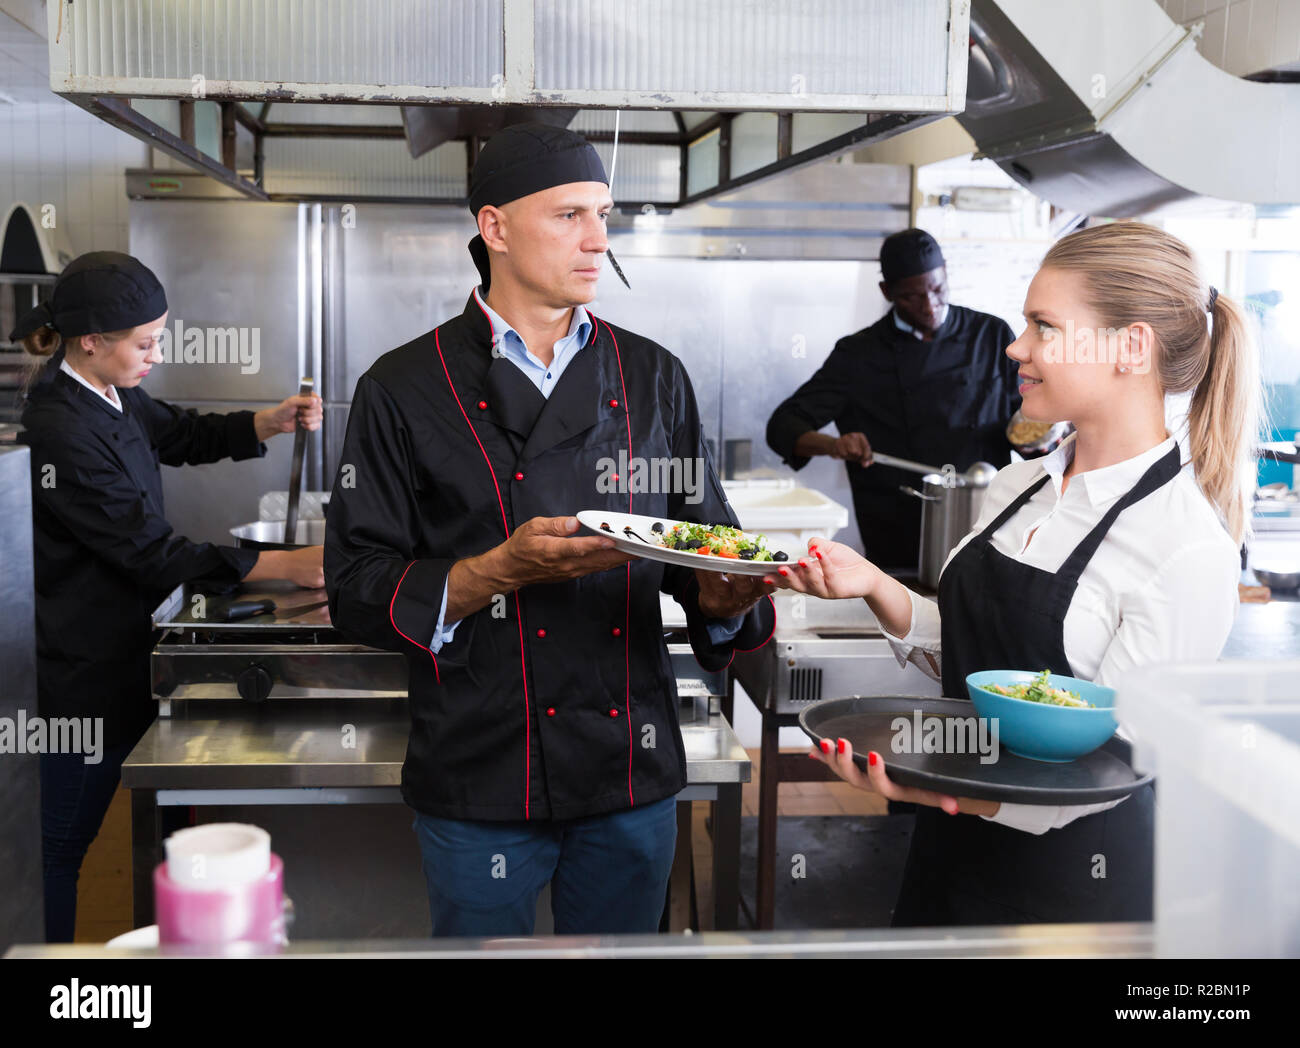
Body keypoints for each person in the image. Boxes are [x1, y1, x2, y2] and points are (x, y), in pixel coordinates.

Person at [325, 123, 774, 937]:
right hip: (482, 766)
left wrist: (725, 595)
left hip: (626, 768)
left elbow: (708, 548)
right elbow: (356, 587)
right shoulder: (402, 387)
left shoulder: (652, 378)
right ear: (493, 227)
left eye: (604, 214)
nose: (599, 240)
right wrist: (497, 571)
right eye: (570, 215)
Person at [769, 222, 1257, 926]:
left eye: (1043, 327)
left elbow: (1110, 768)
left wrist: (927, 786)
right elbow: (977, 653)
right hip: (949, 850)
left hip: (1071, 896)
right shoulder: (1017, 486)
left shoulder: (1183, 545)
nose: (1015, 347)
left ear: (1131, 347)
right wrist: (874, 584)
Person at [12, 252, 325, 942]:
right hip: (79, 679)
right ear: (92, 341)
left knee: (110, 824)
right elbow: (148, 550)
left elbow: (179, 432)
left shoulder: (111, 392)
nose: (157, 355)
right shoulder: (59, 428)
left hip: (127, 652)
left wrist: (267, 421)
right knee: (57, 850)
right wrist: (280, 563)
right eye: (146, 343)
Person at [766, 228, 1021, 572]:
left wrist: (1043, 437)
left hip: (986, 522)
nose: (929, 305)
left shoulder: (991, 335)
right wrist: (833, 444)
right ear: (887, 292)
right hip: (900, 535)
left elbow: (1025, 424)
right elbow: (783, 425)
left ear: (946, 273)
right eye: (911, 297)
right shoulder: (858, 354)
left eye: (937, 289)